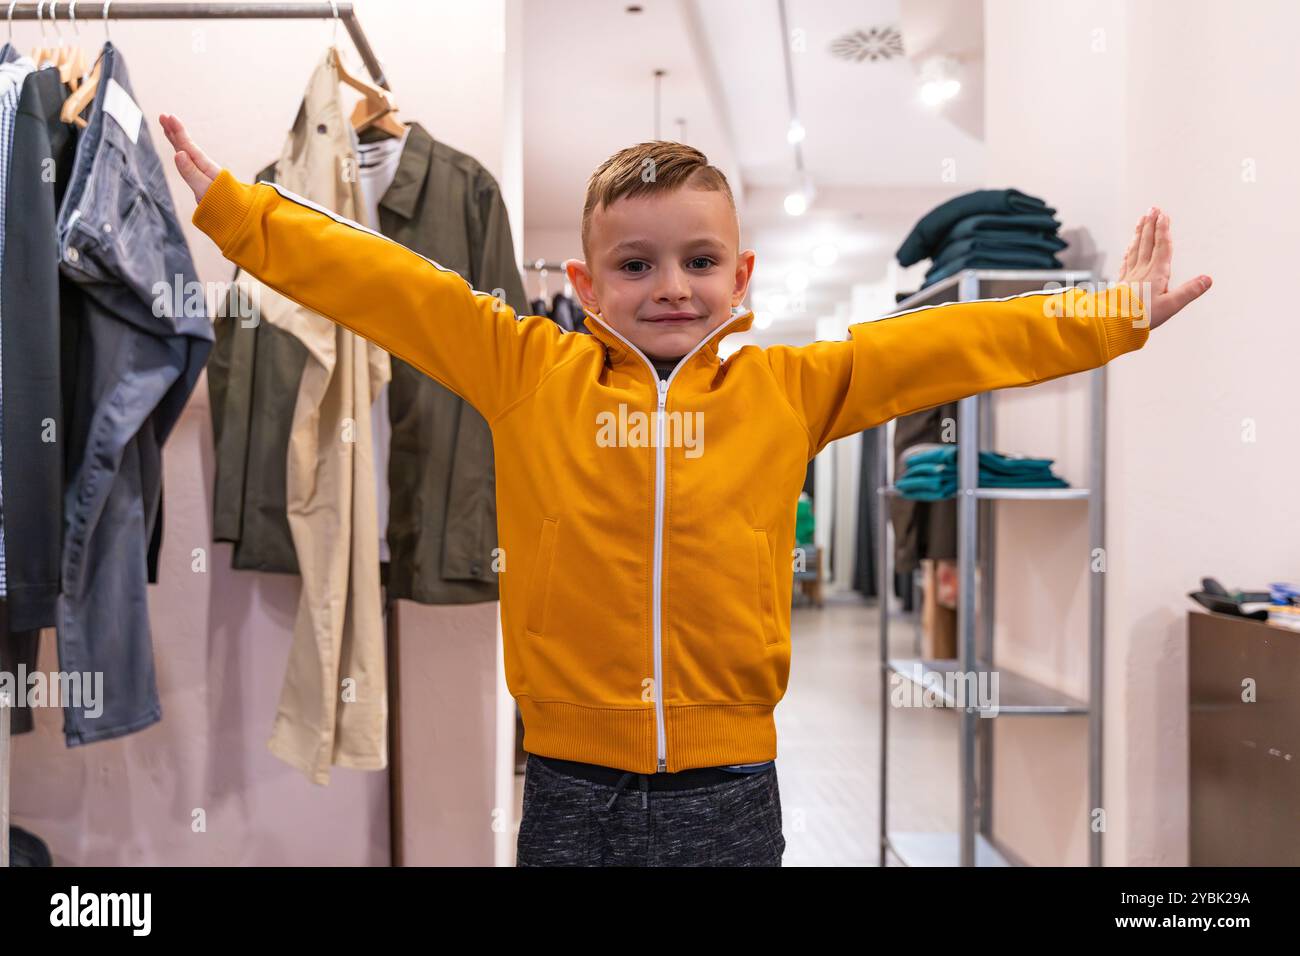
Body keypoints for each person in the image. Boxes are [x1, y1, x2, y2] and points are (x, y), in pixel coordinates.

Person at [159, 113, 1211, 867]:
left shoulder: (790, 386)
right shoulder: (528, 367)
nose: (670, 285)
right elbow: (389, 286)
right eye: (635, 263)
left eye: (699, 259)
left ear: (741, 276)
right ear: (582, 283)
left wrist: (1107, 312)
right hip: (570, 786)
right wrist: (239, 215)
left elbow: (946, 343)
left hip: (730, 787)